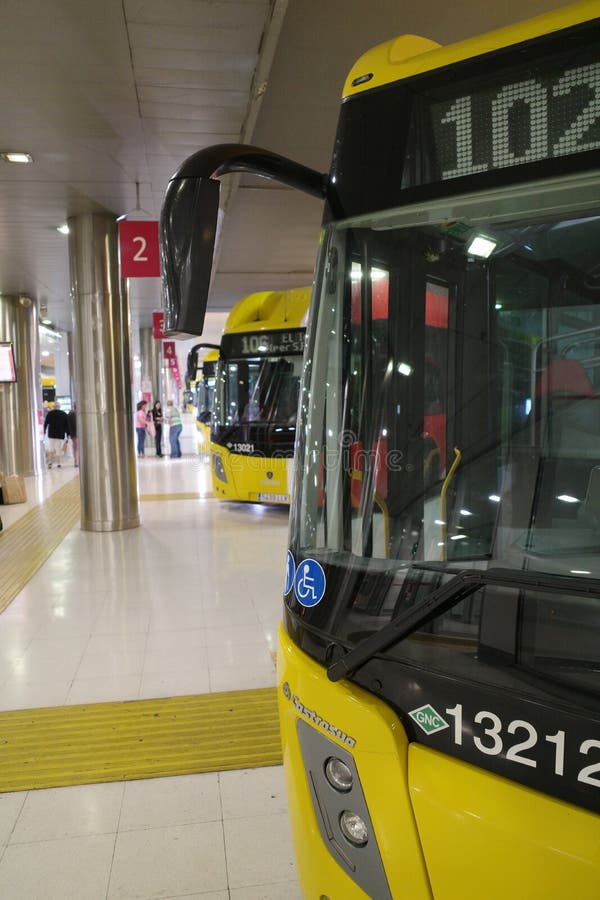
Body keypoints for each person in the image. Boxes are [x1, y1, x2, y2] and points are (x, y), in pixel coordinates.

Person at [44, 401, 69, 468]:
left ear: (54, 406)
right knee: (58, 449)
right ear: (59, 407)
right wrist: (68, 433)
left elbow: (46, 423)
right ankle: (58, 463)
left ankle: (50, 463)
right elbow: (67, 425)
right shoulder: (64, 414)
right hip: (60, 434)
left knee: (51, 448)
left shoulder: (50, 413)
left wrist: (44, 431)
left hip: (51, 434)